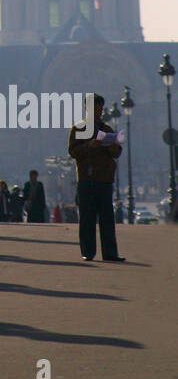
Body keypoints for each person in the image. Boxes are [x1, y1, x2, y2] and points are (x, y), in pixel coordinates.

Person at [68, 93, 125, 262]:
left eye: (100, 109)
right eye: (95, 109)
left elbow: (117, 152)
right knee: (87, 218)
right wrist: (89, 146)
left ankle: (110, 253)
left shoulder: (107, 129)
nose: (98, 112)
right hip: (87, 179)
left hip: (105, 179)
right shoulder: (78, 129)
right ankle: (88, 252)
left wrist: (110, 145)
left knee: (107, 219)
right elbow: (73, 152)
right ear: (87, 108)